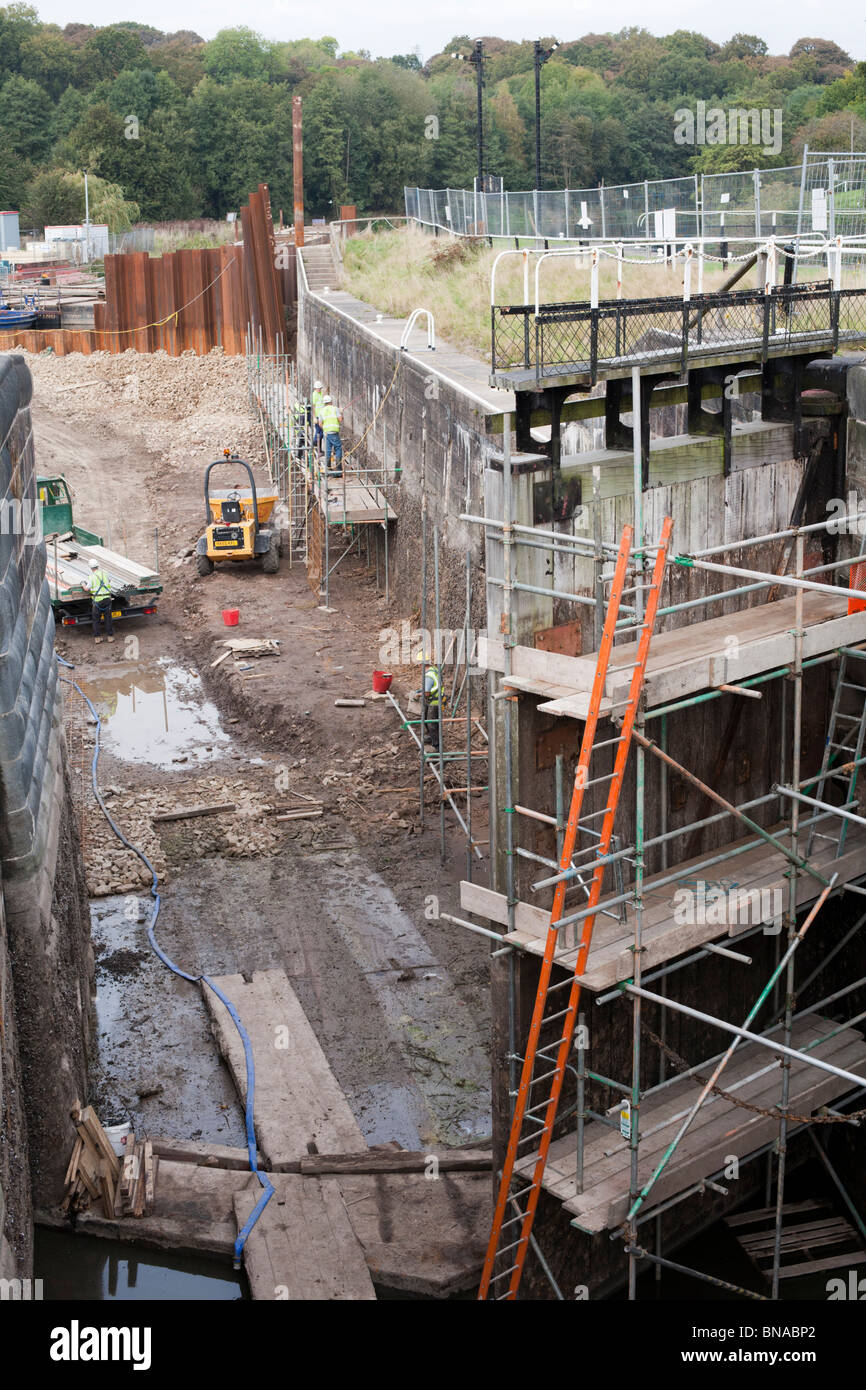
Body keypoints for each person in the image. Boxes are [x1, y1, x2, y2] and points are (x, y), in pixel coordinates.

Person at [84, 558, 115, 643]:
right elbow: (109, 581)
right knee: (108, 618)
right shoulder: (105, 574)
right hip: (107, 599)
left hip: (97, 601)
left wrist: (83, 584)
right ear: (98, 566)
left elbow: (87, 589)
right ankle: (110, 637)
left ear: (90, 568)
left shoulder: (91, 577)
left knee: (96, 619)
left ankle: (97, 638)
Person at [320, 395, 343, 478]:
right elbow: (340, 419)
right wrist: (341, 413)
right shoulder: (335, 409)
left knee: (328, 450)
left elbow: (320, 423)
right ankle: (338, 469)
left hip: (327, 433)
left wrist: (325, 430)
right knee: (338, 449)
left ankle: (328, 469)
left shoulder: (322, 411)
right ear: (331, 402)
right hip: (334, 433)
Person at [311, 380, 325, 455]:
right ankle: (314, 443)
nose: (319, 389)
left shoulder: (320, 394)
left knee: (321, 433)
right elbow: (313, 406)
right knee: (318, 432)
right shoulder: (314, 395)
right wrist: (314, 417)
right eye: (318, 388)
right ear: (315, 388)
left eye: (320, 388)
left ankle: (318, 447)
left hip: (322, 416)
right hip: (317, 416)